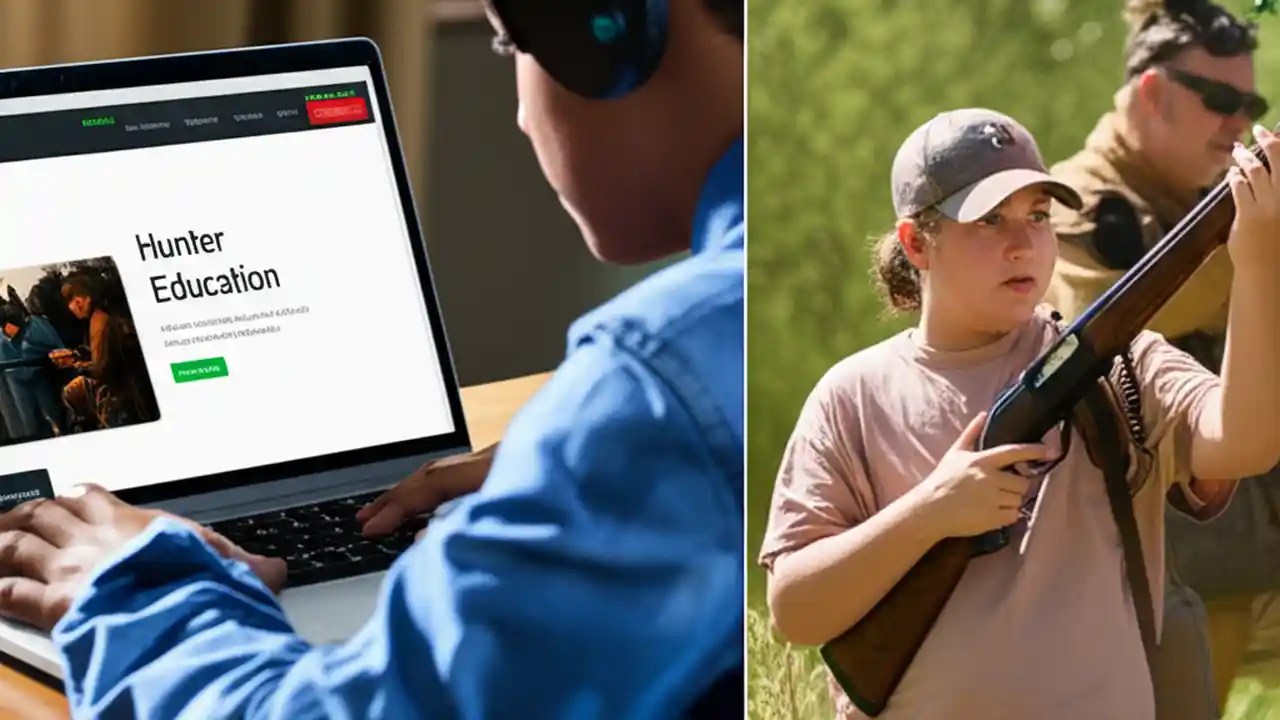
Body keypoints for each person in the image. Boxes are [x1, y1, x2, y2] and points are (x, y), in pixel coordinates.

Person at [0, 1, 744, 718]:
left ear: (598, 25)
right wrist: (583, 473)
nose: (519, 114)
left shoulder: (659, 384)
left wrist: (131, 586)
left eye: (508, 44)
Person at [758, 107, 1280, 719]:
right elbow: (794, 611)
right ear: (916, 243)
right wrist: (931, 513)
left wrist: (1260, 264)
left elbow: (1248, 443)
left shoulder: (1119, 366)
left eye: (1037, 217)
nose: (1022, 244)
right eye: (989, 220)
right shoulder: (850, 395)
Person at [1043, 1, 1272, 710]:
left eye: (1251, 104)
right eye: (1220, 101)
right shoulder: (1075, 200)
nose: (1237, 122)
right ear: (1152, 94)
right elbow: (1131, 316)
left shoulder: (1211, 194)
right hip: (1155, 537)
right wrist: (1261, 252)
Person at [54, 274, 158, 430]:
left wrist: (74, 364)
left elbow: (102, 368)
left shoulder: (99, 322)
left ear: (84, 299)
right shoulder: (104, 316)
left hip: (121, 398)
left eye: (73, 300)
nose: (71, 307)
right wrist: (78, 357)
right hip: (132, 391)